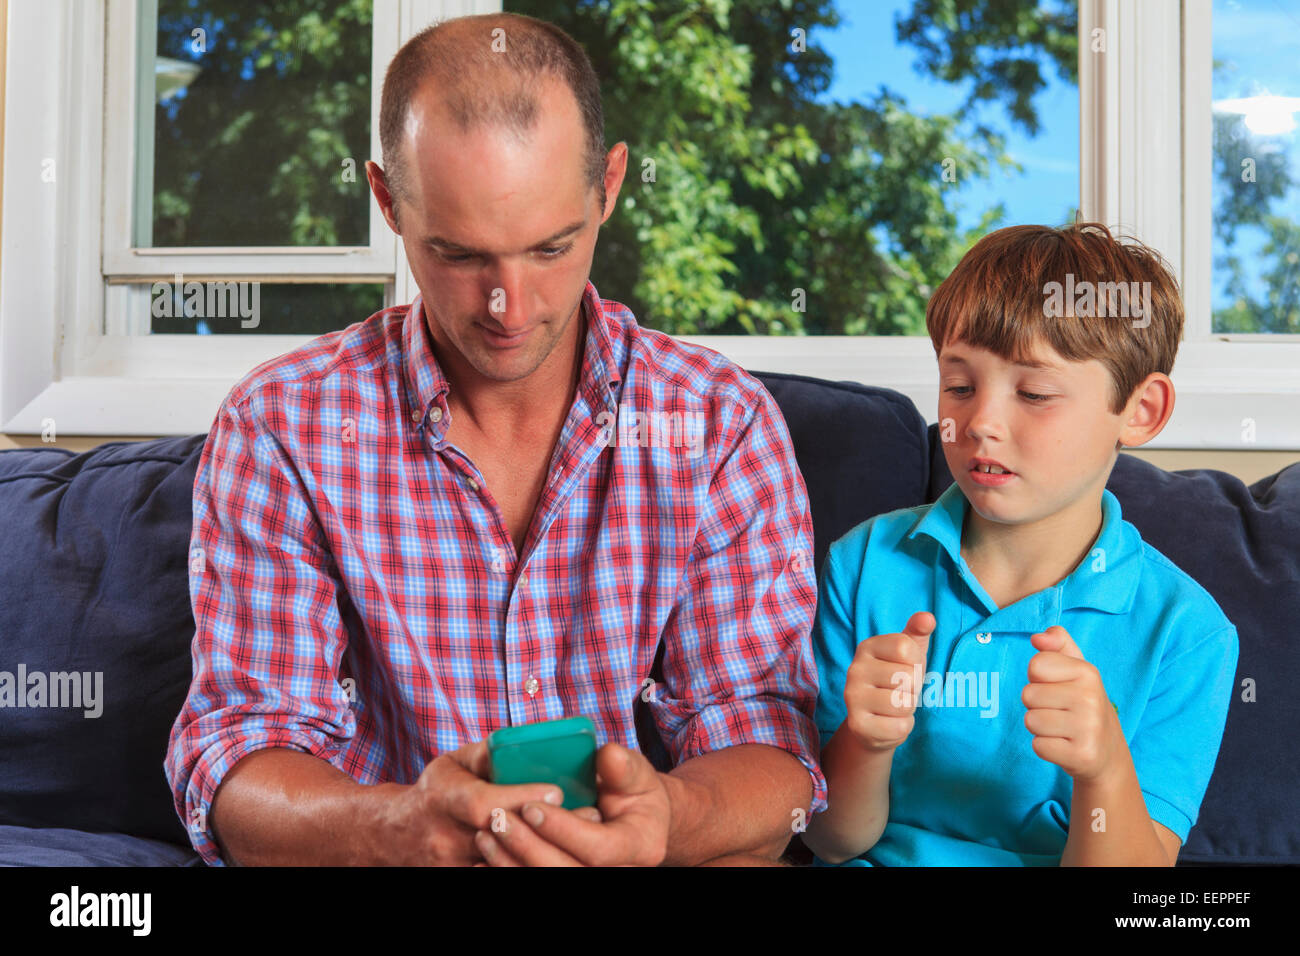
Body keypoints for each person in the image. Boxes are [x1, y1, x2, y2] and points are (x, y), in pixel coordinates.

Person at [165, 12, 825, 867]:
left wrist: (670, 815)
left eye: (551, 248)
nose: (509, 306)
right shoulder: (284, 425)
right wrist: (397, 827)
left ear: (610, 186)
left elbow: (773, 747)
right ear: (387, 200)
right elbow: (235, 760)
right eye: (459, 253)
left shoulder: (719, 425)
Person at [803, 223, 1239, 866]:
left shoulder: (1187, 632)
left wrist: (1105, 770)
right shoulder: (865, 564)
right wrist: (865, 743)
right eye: (959, 387)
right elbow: (832, 838)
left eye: (1033, 393)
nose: (980, 422)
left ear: (1140, 410)